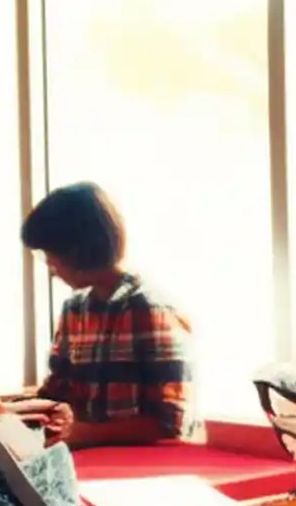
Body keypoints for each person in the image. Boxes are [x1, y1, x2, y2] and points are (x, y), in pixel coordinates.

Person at [14, 182, 195, 448]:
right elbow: (55, 394)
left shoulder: (149, 308)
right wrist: (0, 412)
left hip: (138, 467)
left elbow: (169, 422)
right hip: (82, 459)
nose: (51, 268)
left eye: (52, 256)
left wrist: (84, 434)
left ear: (79, 250)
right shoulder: (74, 310)